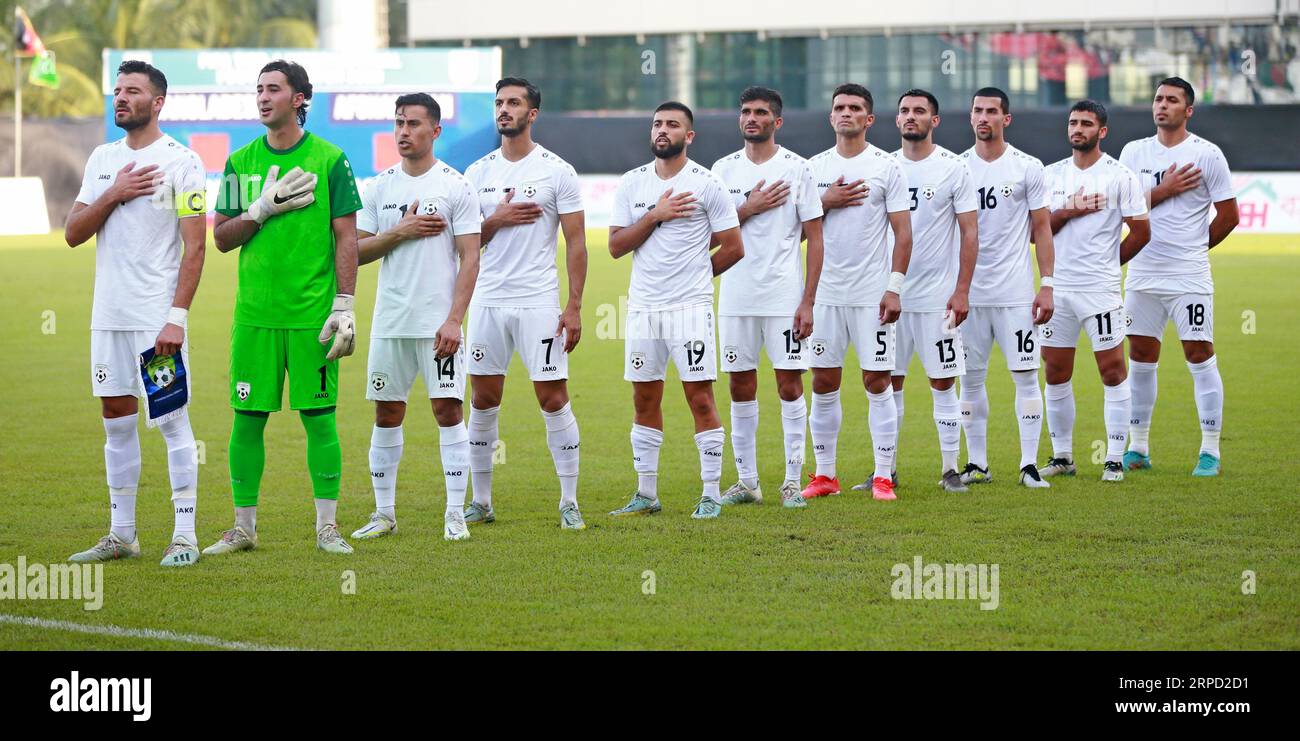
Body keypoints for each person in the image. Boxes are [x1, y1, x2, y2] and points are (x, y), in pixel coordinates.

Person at [206, 59, 362, 554]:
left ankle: (327, 528)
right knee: (247, 419)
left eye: (273, 89)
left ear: (299, 99)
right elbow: (222, 239)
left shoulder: (331, 159)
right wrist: (261, 208)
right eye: (258, 89)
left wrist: (345, 304)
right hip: (254, 317)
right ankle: (243, 529)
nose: (263, 97)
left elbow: (347, 237)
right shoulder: (240, 161)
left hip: (312, 316)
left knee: (320, 419)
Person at [65, 60, 207, 566]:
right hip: (108, 316)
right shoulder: (103, 158)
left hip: (155, 320)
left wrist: (177, 317)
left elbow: (196, 248)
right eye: (118, 90)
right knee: (115, 419)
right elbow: (74, 232)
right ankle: (121, 534)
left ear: (158, 102)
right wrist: (114, 193)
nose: (121, 98)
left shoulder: (183, 163)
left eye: (133, 91)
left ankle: (185, 536)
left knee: (170, 419)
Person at [349, 93, 481, 543]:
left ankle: (454, 513)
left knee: (447, 410)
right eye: (399, 123)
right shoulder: (379, 187)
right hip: (390, 322)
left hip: (437, 324)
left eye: (414, 124)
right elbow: (354, 252)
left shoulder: (455, 186)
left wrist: (454, 320)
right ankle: (384, 513)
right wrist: (399, 231)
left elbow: (470, 258)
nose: (404, 132)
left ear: (435, 131)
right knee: (387, 414)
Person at [607, 101, 745, 519]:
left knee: (699, 397)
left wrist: (699, 278)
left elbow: (734, 246)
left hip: (690, 308)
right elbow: (615, 246)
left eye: (672, 125)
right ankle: (646, 493)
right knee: (644, 396)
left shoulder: (707, 184)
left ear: (690, 136)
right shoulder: (631, 184)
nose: (662, 130)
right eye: (657, 124)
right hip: (644, 308)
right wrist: (655, 215)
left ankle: (709, 493)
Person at [463, 77, 589, 529]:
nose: (504, 110)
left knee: (553, 398)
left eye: (514, 103)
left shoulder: (558, 171)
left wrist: (573, 306)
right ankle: (481, 501)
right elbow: (464, 245)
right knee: (482, 398)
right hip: (487, 302)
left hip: (538, 301)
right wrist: (494, 220)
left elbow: (576, 243)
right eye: (499, 102)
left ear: (532, 113)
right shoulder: (477, 174)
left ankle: (569, 501)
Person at [1119, 77, 1239, 477]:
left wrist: (1194, 250)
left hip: (1189, 277)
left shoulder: (1208, 155)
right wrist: (1164, 189)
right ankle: (1138, 448)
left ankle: (1210, 451)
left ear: (1188, 110)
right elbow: (1124, 206)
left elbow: (1229, 216)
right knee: (1140, 358)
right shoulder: (1133, 152)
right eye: (1158, 98)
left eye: (1172, 100)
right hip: (1142, 274)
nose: (1162, 105)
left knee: (1199, 355)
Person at [711, 86, 824, 509]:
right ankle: (747, 481)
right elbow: (706, 237)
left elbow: (815, 239)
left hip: (783, 298)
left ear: (777, 122)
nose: (751, 118)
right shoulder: (721, 171)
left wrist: (808, 300)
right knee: (740, 385)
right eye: (745, 112)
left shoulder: (798, 169)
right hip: (735, 297)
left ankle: (792, 481)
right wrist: (748, 207)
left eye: (760, 113)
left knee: (789, 384)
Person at [804, 83, 913, 502]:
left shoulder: (887, 167)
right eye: (839, 107)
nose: (845, 113)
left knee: (877, 380)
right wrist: (826, 201)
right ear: (831, 117)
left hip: (872, 296)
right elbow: (797, 232)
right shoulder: (812, 169)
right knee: (824, 381)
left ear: (869, 119)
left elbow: (904, 234)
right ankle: (825, 475)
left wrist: (894, 288)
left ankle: (883, 476)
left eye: (855, 108)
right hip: (826, 295)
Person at [1040, 100, 1150, 482]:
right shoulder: (1050, 175)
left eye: (1086, 123)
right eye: (1073, 122)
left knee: (1112, 370)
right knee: (1055, 370)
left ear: (1102, 131)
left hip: (1100, 292)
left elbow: (1141, 232)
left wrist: (1108, 263)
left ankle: (1114, 457)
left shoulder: (1120, 176)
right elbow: (1036, 233)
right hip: (1058, 289)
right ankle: (1062, 456)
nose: (1078, 129)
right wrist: (1068, 211)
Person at [957, 87, 1056, 488]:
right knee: (970, 379)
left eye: (991, 111)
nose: (983, 117)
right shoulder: (956, 168)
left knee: (1026, 376)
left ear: (1006, 119)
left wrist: (1046, 284)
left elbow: (1043, 227)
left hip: (1015, 293)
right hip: (967, 295)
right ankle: (977, 464)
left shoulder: (1028, 167)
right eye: (977, 111)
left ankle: (1028, 464)